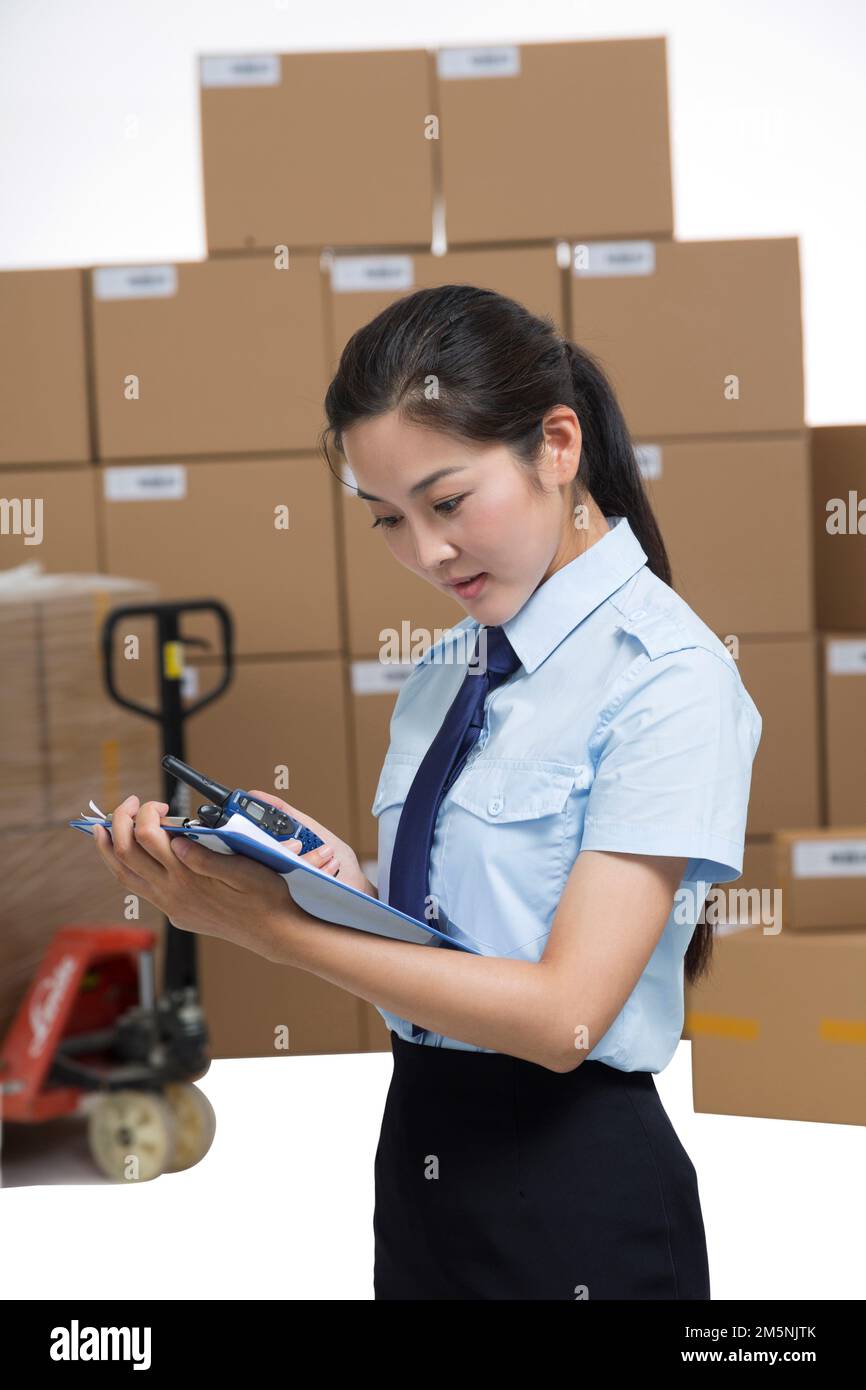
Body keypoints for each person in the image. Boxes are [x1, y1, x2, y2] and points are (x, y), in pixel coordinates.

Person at [94, 284, 762, 1301]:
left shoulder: (667, 677)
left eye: (447, 503)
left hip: (574, 1191)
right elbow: (450, 946)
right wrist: (327, 881)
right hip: (418, 1158)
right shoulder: (448, 667)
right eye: (386, 520)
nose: (426, 553)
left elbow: (562, 1016)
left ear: (555, 444)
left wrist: (270, 928)